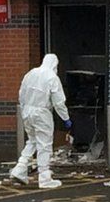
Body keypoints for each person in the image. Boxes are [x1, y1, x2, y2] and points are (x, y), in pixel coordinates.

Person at [9, 54, 72, 189]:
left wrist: (24, 110)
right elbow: (59, 102)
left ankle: (20, 168)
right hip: (42, 113)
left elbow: (21, 94)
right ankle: (44, 178)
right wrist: (66, 118)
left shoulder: (30, 73)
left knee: (32, 140)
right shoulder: (52, 77)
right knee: (44, 144)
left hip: (27, 111)